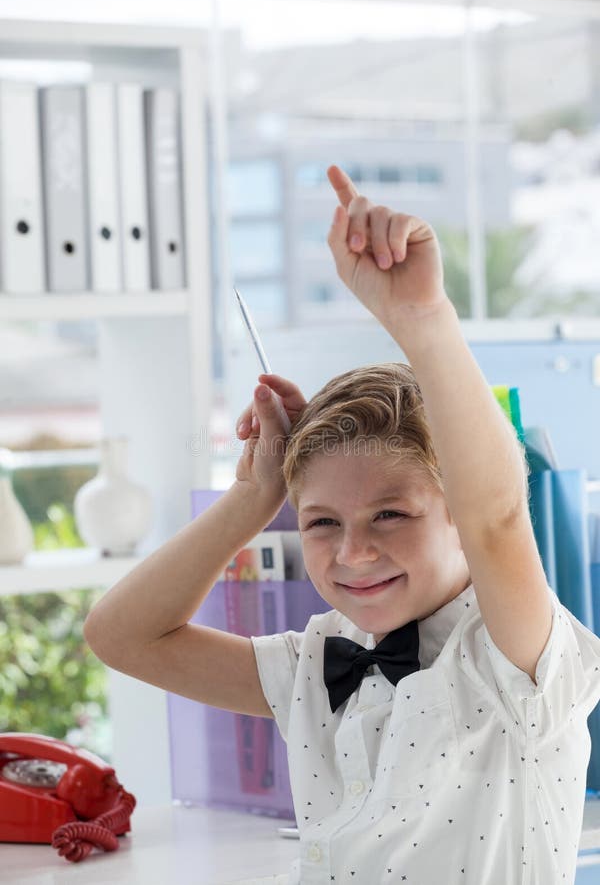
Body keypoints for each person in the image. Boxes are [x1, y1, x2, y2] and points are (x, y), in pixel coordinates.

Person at [84, 166, 600, 885]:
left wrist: (422, 320)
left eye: (391, 512)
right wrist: (252, 498)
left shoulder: (513, 657)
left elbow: (500, 517)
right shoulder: (317, 659)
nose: (354, 550)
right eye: (323, 522)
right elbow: (120, 636)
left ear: (455, 511)